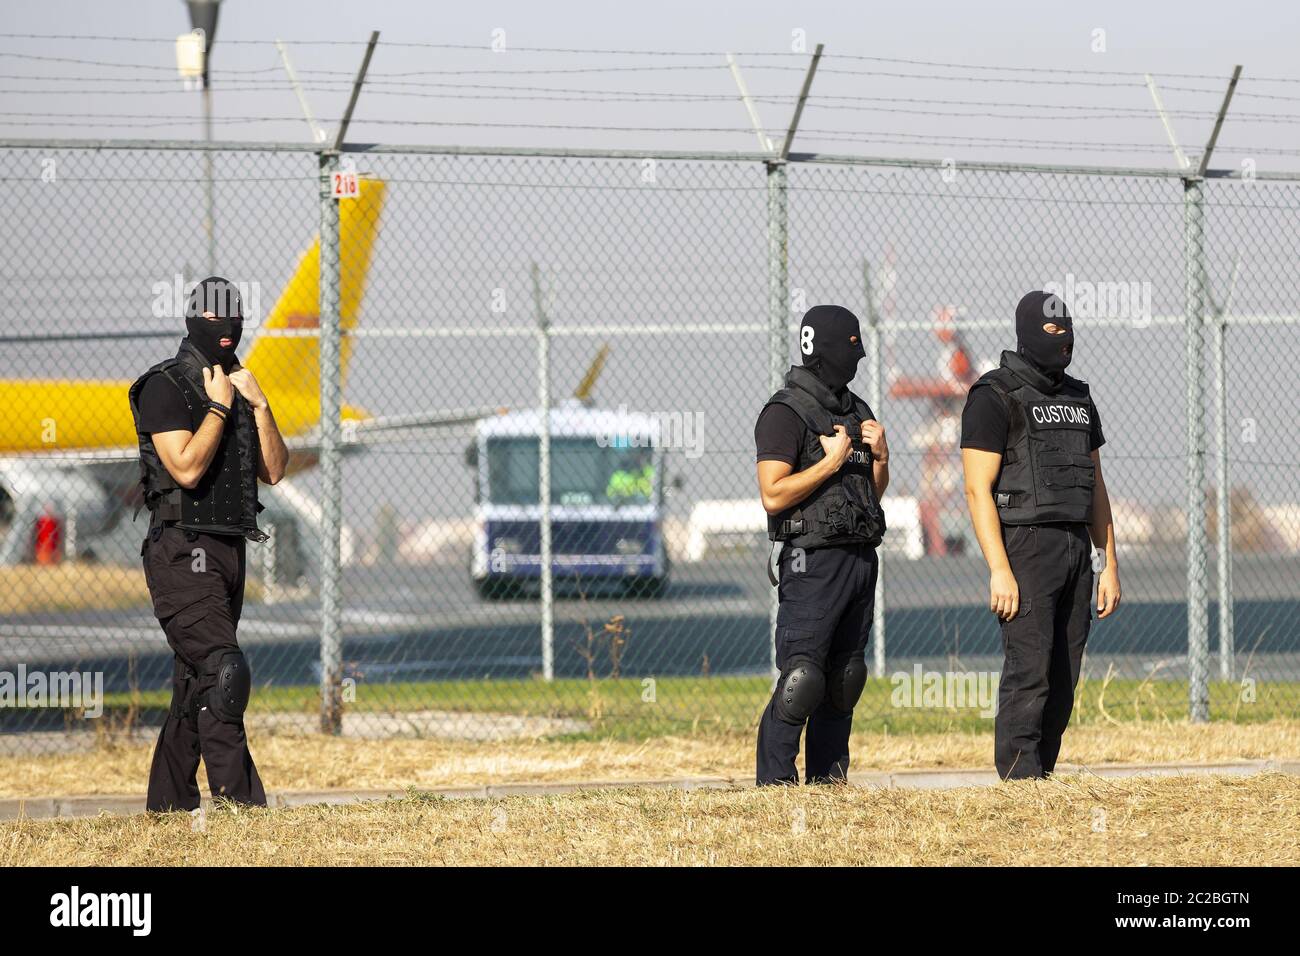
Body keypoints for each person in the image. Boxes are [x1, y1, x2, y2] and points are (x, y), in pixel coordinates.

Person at [128, 276, 288, 812]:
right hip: (181, 550)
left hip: (229, 552)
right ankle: (241, 809)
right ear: (194, 319)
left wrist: (259, 406)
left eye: (234, 319)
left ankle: (169, 808)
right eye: (216, 320)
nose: (228, 330)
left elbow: (275, 470)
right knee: (224, 670)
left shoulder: (240, 385)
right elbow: (187, 468)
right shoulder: (165, 386)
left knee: (194, 682)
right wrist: (219, 410)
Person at [960, 291, 1122, 780]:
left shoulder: (1078, 397)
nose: (1064, 341)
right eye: (1052, 332)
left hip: (1075, 545)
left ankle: (1042, 776)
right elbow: (975, 489)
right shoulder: (993, 396)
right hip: (1025, 548)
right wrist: (999, 570)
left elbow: (1095, 486)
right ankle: (1020, 783)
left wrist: (1108, 562)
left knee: (1064, 676)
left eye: (1068, 331)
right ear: (1028, 332)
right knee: (1028, 673)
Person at [753, 304, 889, 785]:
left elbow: (871, 492)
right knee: (801, 681)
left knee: (844, 679)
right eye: (850, 348)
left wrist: (881, 457)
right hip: (811, 559)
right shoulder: (785, 412)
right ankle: (775, 786)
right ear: (827, 348)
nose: (856, 359)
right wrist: (829, 464)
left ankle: (830, 784)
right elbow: (773, 494)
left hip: (858, 557)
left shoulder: (858, 412)